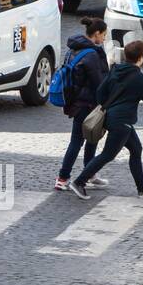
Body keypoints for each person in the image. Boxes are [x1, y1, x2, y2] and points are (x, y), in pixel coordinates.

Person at [69, 40, 143, 200]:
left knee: (136, 149)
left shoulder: (115, 70)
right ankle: (79, 182)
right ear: (141, 58)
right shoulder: (138, 78)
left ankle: (142, 188)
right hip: (122, 122)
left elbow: (100, 92)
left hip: (111, 118)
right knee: (107, 154)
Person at [54, 17, 112, 192]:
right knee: (78, 141)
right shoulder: (92, 54)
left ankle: (89, 174)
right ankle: (63, 178)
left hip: (76, 102)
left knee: (92, 139)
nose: (104, 39)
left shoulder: (73, 49)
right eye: (104, 35)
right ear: (96, 34)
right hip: (87, 104)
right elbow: (98, 82)